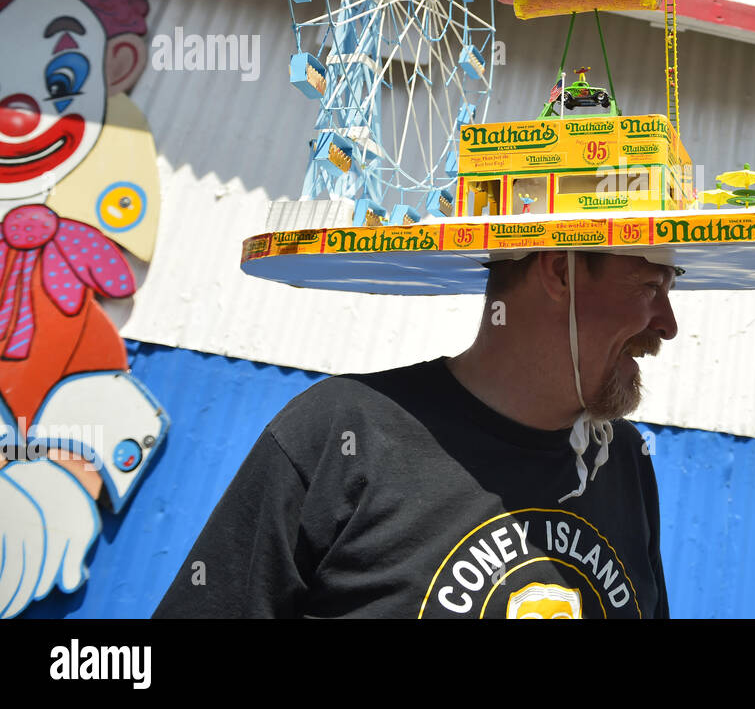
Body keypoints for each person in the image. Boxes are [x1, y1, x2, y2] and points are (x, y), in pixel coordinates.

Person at [153, 249, 679, 619]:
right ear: (561, 271)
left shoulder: (624, 459)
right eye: (650, 287)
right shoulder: (345, 431)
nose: (668, 324)